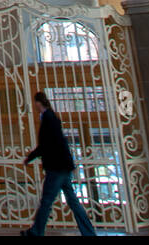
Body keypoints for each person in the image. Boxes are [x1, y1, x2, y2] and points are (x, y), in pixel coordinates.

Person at [20, 91, 96, 237]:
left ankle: (36, 232)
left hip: (56, 167)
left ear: (37, 103)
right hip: (63, 166)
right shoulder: (50, 117)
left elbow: (46, 144)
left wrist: (30, 157)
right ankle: (88, 232)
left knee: (47, 201)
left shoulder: (49, 118)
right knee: (72, 200)